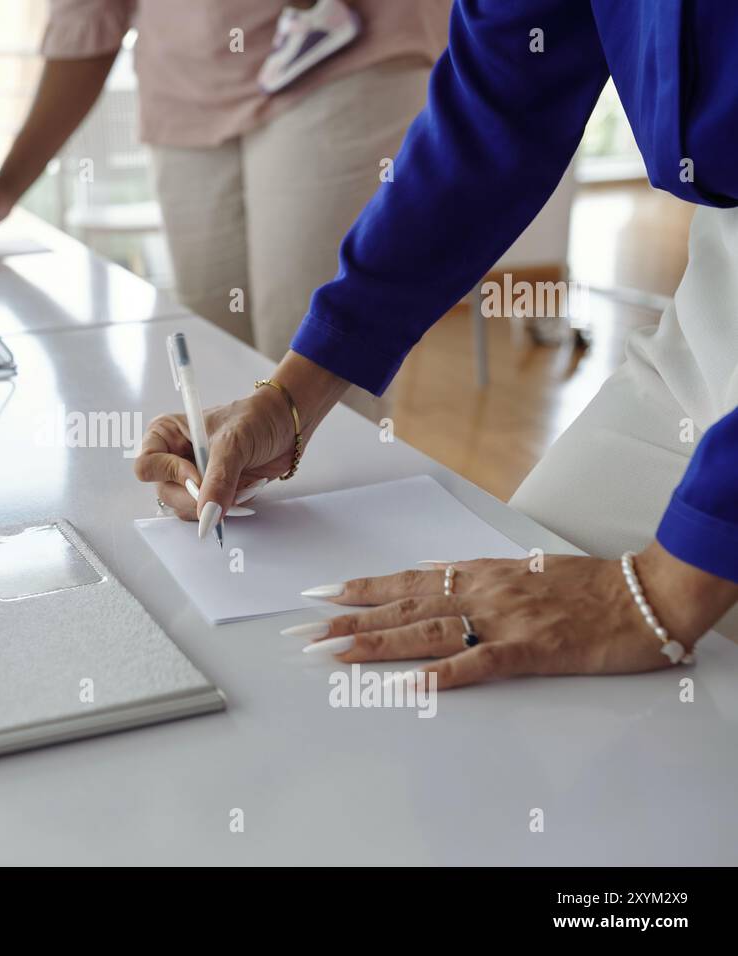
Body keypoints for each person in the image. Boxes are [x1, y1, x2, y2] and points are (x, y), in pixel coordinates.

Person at [134, 0, 738, 688]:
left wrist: (660, 592)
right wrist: (291, 396)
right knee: (531, 585)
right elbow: (500, 103)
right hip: (717, 285)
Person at [0, 0, 452, 362]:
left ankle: (341, 529)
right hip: (187, 83)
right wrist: (8, 184)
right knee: (211, 358)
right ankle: (229, 531)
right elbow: (90, 14)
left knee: (311, 350)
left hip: (345, 46)